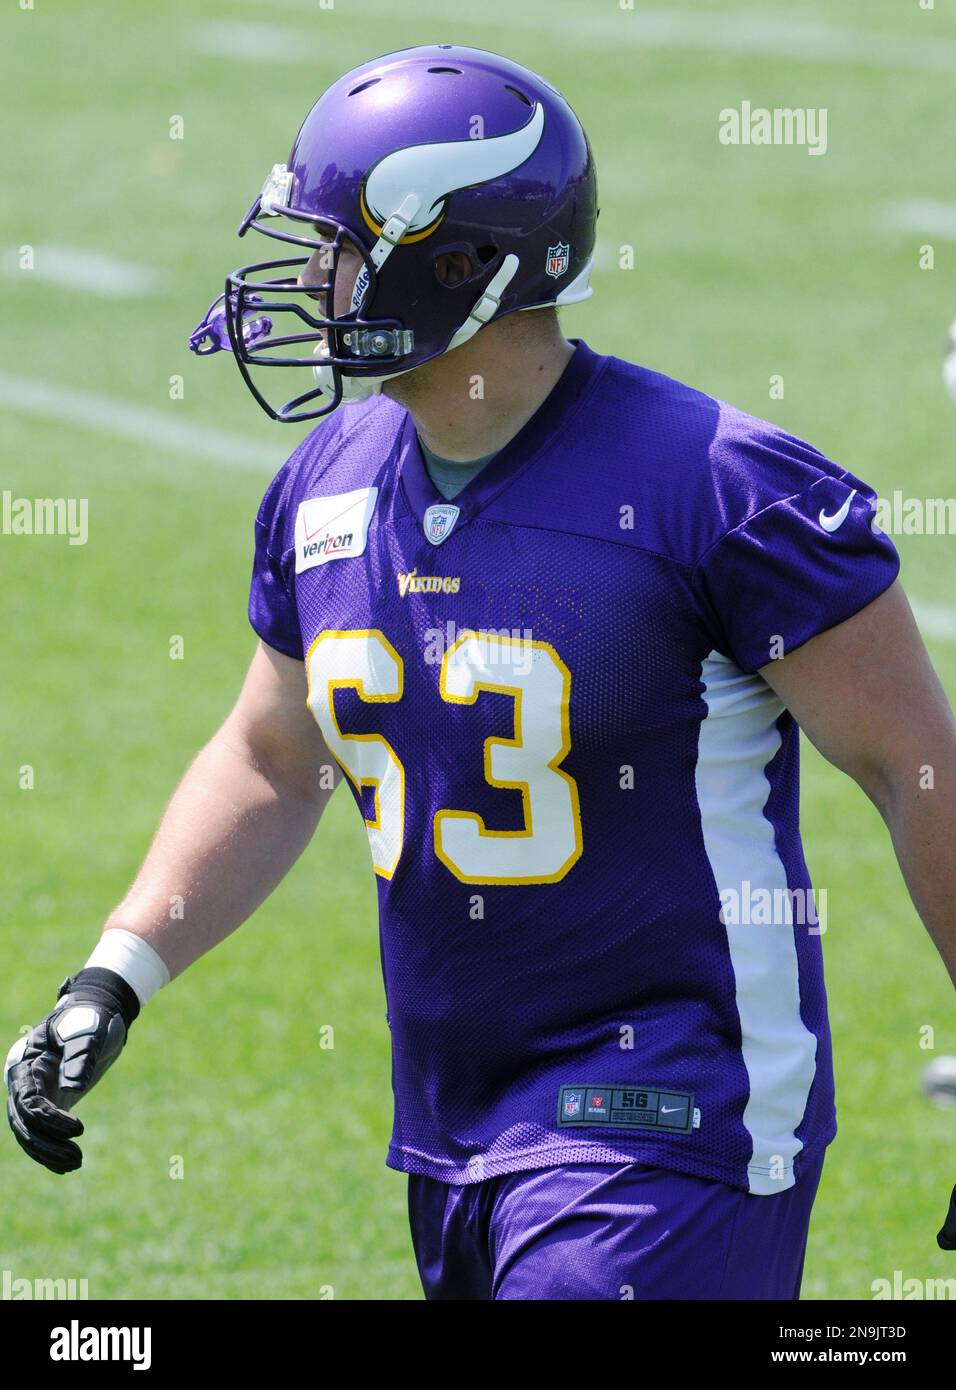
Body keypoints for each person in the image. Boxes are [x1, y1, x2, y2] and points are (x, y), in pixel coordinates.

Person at [7, 44, 956, 1301]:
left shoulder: (717, 489)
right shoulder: (329, 480)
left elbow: (913, 764)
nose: (304, 278)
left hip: (670, 1115)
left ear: (454, 267)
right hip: (454, 1127)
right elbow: (272, 758)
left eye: (336, 246)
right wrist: (114, 977)